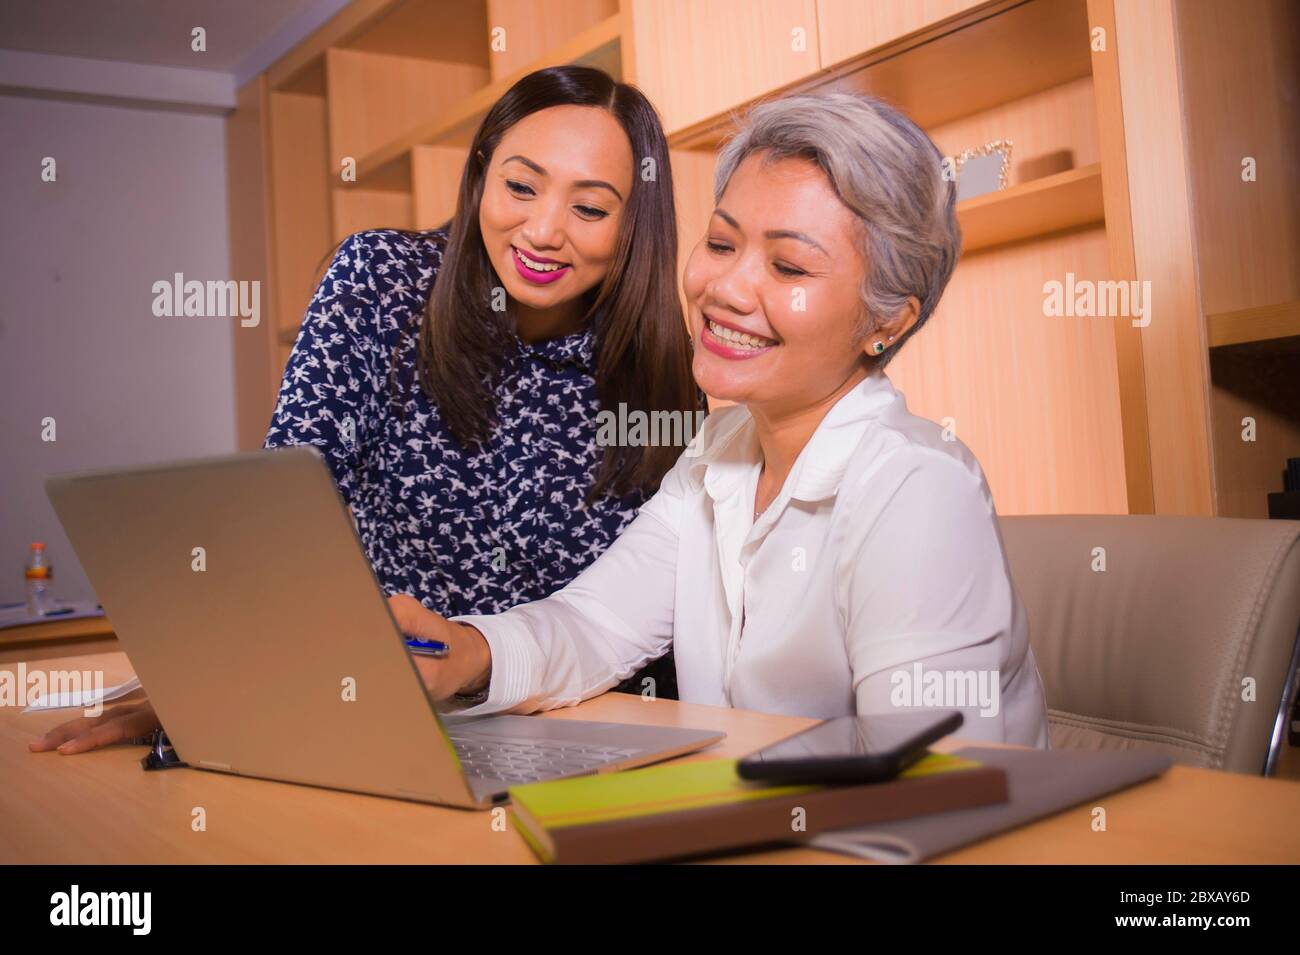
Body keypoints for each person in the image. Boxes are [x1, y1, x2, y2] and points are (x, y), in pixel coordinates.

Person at [30, 65, 699, 755]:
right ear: (479, 178)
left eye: (589, 209)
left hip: (586, 733)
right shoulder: (383, 283)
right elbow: (285, 516)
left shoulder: (662, 372)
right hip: (392, 721)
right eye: (520, 186)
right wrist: (205, 685)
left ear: (633, 228)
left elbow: (644, 612)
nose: (543, 230)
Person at [396, 90, 1051, 746]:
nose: (726, 289)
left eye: (787, 265)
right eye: (720, 242)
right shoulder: (720, 453)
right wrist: (467, 651)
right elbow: (597, 623)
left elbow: (926, 780)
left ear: (887, 320)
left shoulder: (916, 486)